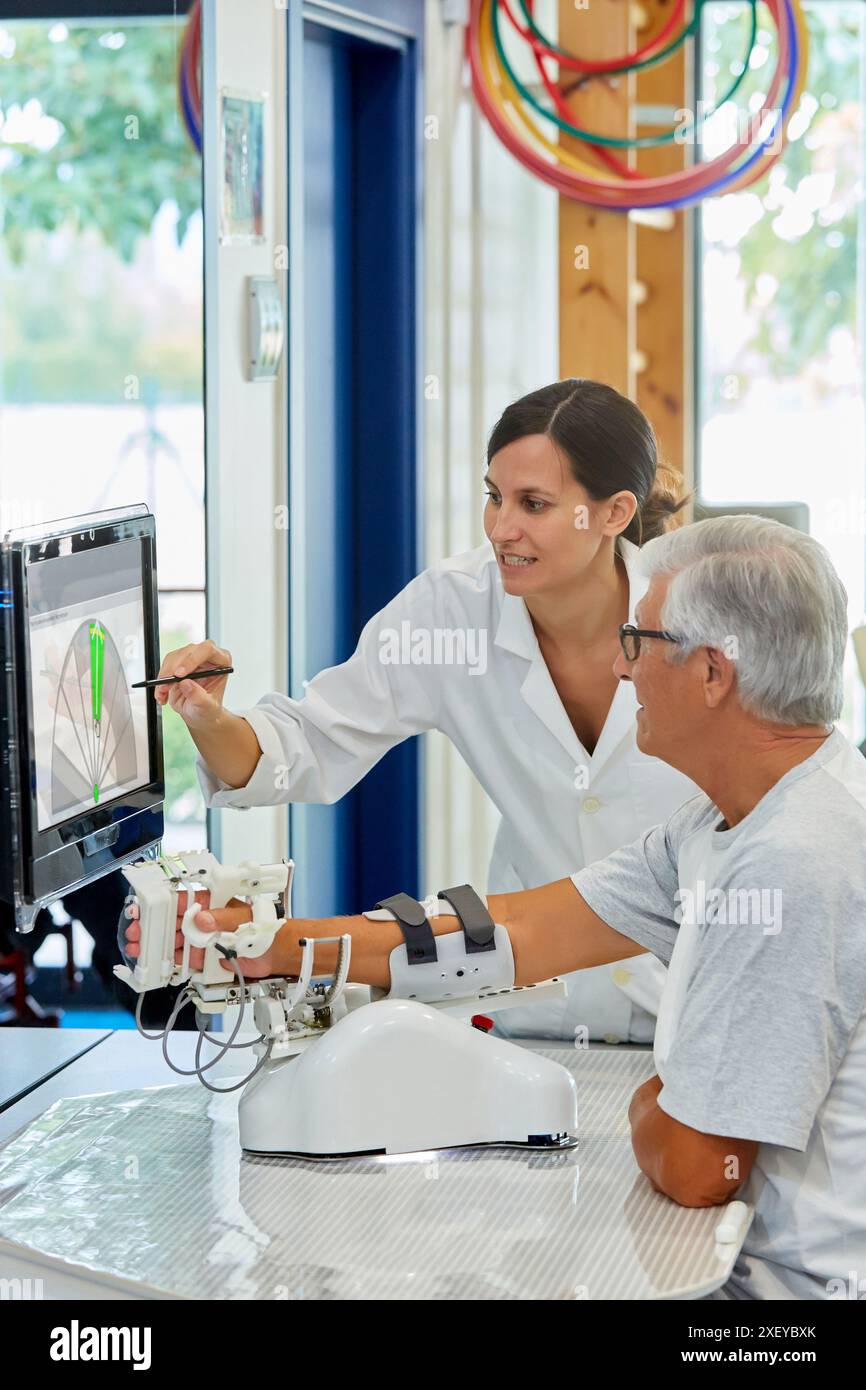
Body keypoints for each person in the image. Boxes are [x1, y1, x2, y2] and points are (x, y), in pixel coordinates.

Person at [126, 515, 866, 1299]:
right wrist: (277, 943)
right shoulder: (733, 816)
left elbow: (694, 1169)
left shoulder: (794, 861)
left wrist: (664, 1093)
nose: (620, 668)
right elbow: (516, 929)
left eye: (639, 643)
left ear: (713, 674)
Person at [154, 378, 698, 1042]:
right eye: (494, 497)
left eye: (534, 504)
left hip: (695, 1009)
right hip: (537, 1011)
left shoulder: (694, 619)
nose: (502, 529)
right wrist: (208, 717)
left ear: (614, 513)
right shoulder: (452, 609)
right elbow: (308, 748)